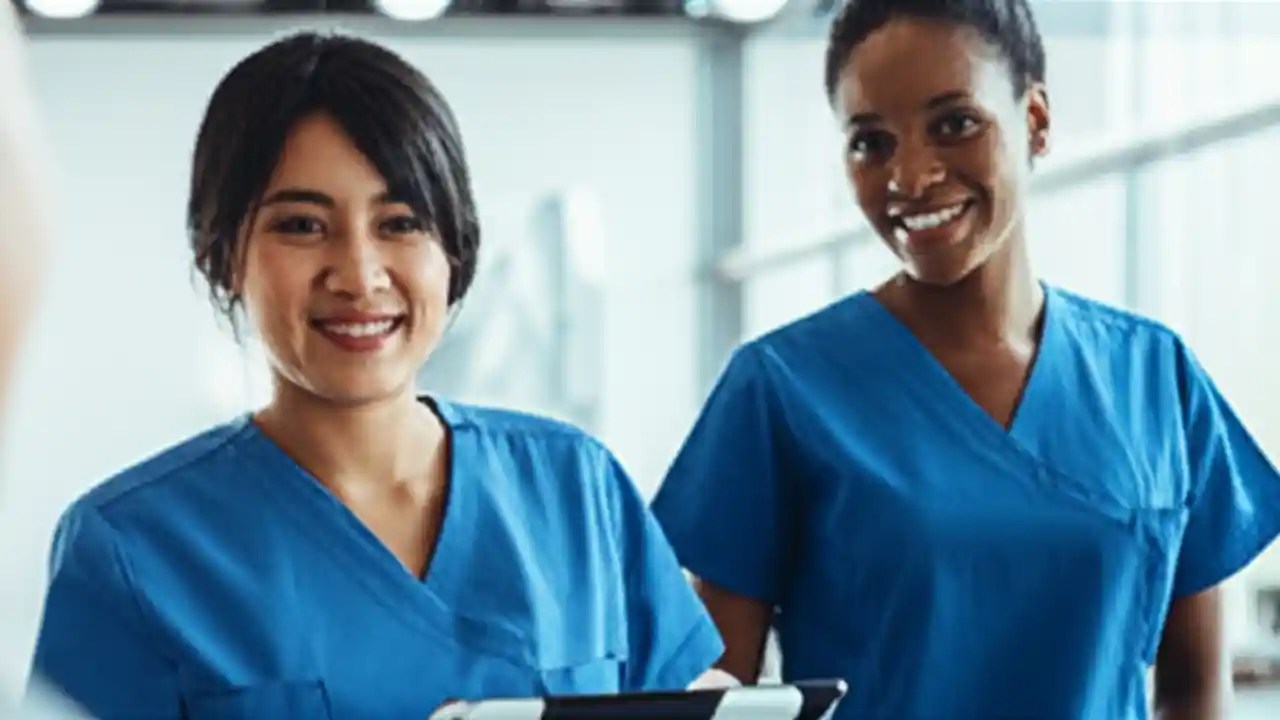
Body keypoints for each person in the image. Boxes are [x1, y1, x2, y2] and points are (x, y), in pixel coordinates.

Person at [29, 32, 724, 719]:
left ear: (454, 248)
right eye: (302, 225)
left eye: (400, 222)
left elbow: (686, 695)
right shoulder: (132, 547)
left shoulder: (576, 488)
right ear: (224, 255)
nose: (359, 275)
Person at [651, 0, 1280, 718]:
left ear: (1035, 121)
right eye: (871, 142)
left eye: (954, 124)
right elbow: (716, 702)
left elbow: (1195, 694)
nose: (911, 176)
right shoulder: (781, 389)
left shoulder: (1156, 379)